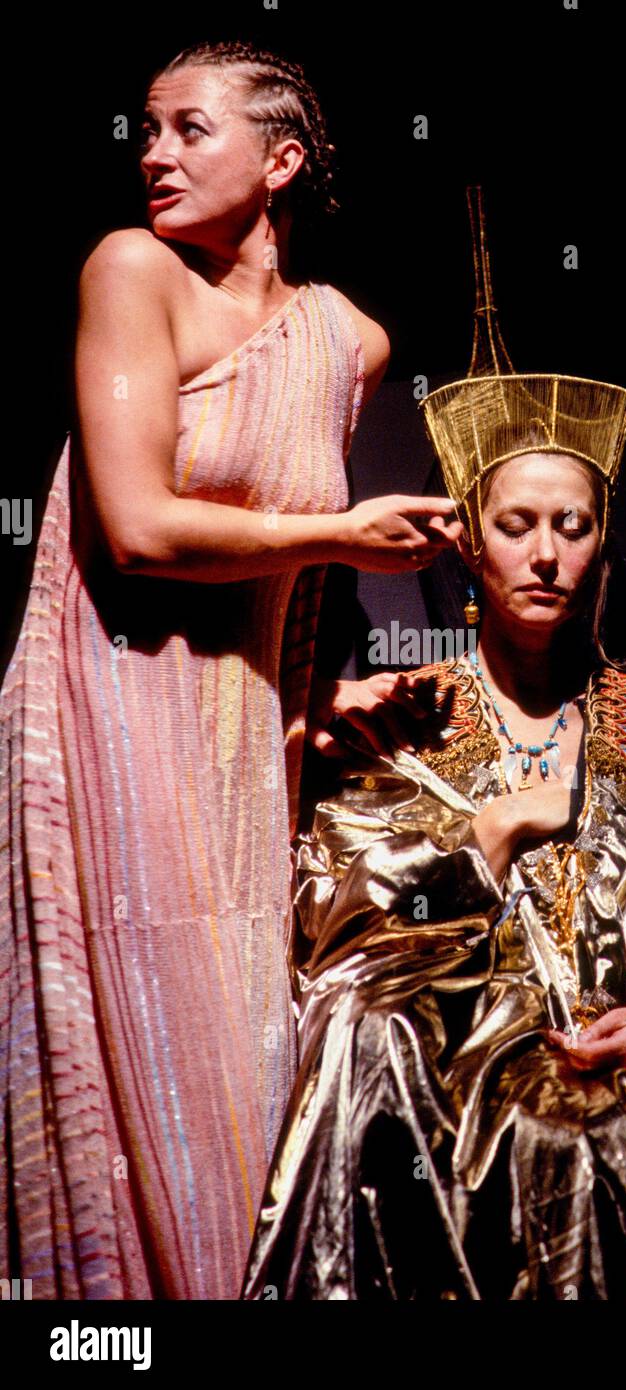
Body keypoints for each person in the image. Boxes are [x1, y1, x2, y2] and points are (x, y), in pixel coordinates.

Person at [239, 189, 626, 1301]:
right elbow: (342, 925)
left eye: (572, 526)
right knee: (488, 1114)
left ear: (602, 544)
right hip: (465, 1053)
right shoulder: (409, 709)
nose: (547, 555)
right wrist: (491, 830)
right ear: (469, 547)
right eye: (517, 526)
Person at [0, 40, 460, 1300]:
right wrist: (341, 533)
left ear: (282, 160)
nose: (153, 153)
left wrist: (324, 702)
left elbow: (286, 593)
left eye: (188, 129)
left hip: (242, 736)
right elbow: (141, 527)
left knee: (244, 1066)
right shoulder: (130, 270)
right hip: (115, 698)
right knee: (141, 1035)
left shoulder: (347, 338)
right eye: (145, 131)